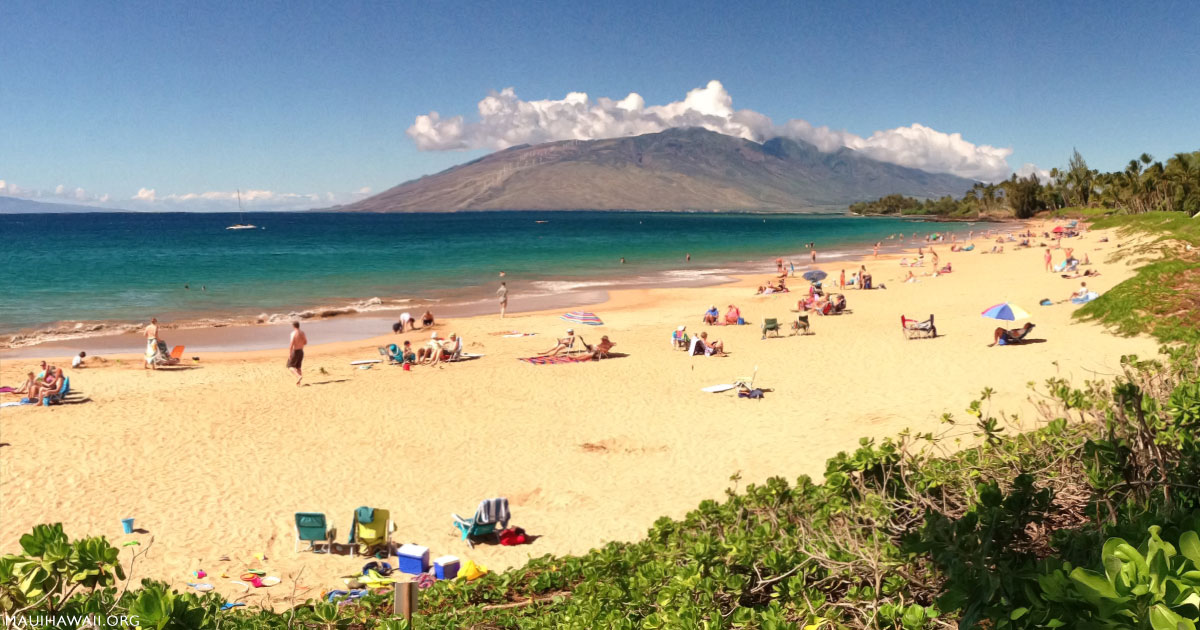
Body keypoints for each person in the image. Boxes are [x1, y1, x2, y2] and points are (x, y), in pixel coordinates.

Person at [287, 321, 307, 385]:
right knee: (298, 367)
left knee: (289, 366)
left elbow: (291, 344)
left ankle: (298, 376)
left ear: (293, 326)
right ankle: (299, 383)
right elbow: (305, 342)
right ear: (299, 325)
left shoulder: (293, 333)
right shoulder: (302, 333)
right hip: (301, 351)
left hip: (295, 351)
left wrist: (290, 353)